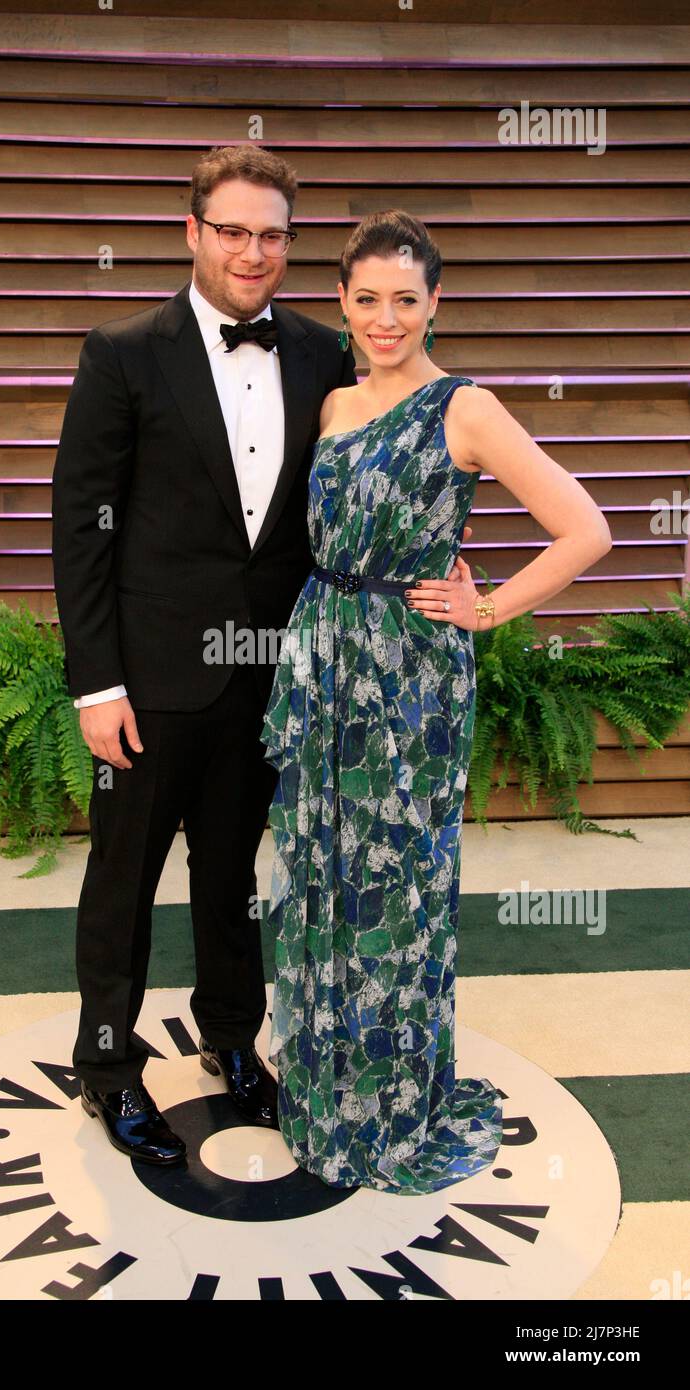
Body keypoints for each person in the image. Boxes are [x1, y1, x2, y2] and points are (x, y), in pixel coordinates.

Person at [261, 209, 613, 1193]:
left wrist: (487, 605)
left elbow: (584, 529)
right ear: (341, 301)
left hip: (409, 675)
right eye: (365, 299)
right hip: (326, 655)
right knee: (322, 871)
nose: (384, 319)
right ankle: (329, 1082)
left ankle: (390, 1104)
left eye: (403, 300)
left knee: (396, 887)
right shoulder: (331, 408)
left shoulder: (466, 407)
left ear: (433, 304)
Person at [51, 146, 386, 1166]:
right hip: (148, 685)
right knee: (122, 884)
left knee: (235, 876)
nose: (253, 251)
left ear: (291, 244)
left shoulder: (327, 354)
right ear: (191, 232)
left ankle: (233, 1039)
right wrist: (96, 684)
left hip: (267, 679)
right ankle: (107, 1068)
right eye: (233, 230)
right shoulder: (122, 351)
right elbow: (81, 527)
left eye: (273, 234)